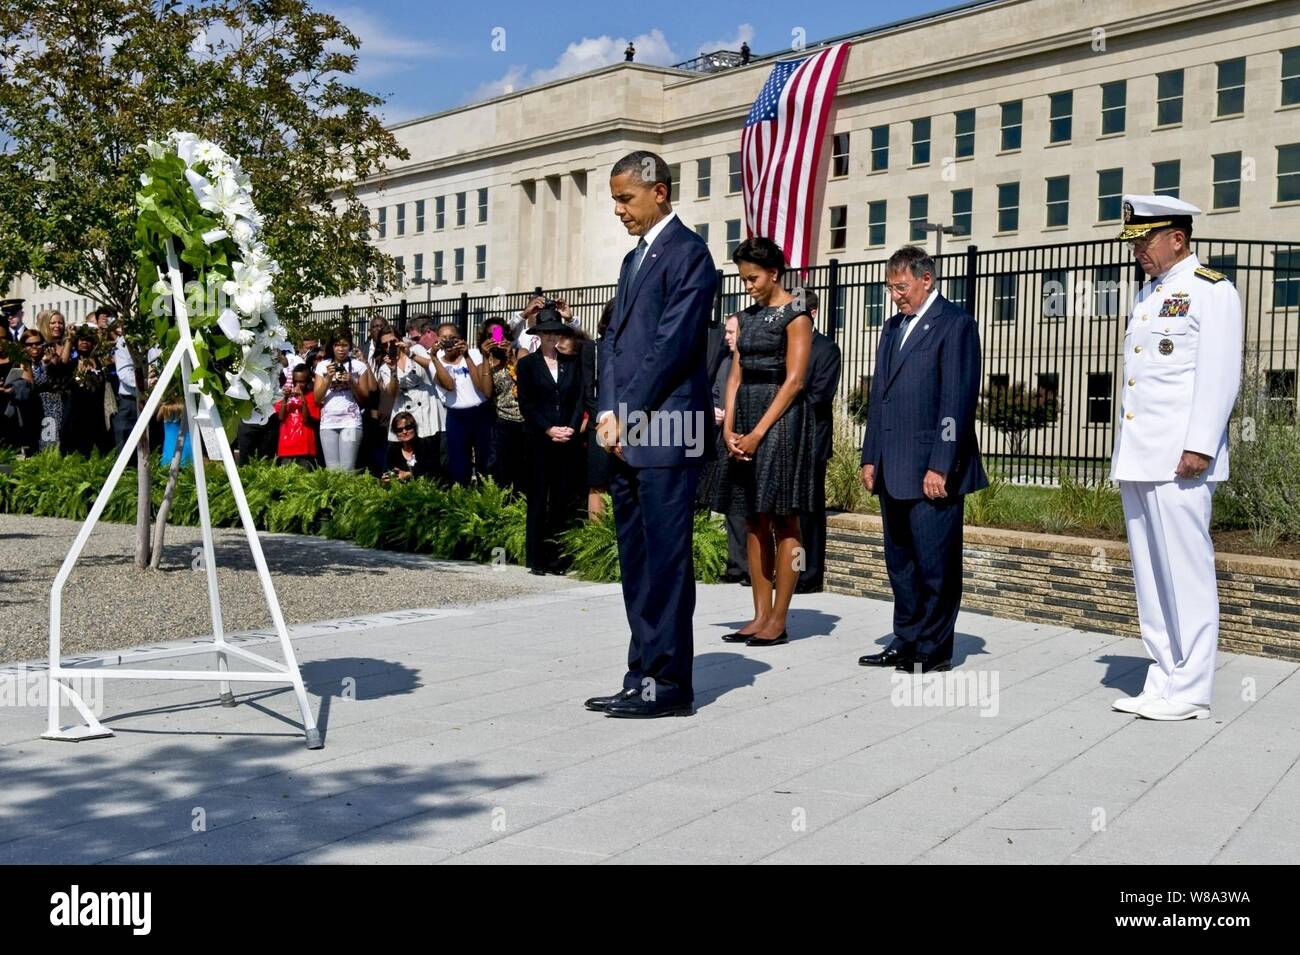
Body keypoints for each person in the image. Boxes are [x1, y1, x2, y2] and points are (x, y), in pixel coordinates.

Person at [585, 150, 718, 719]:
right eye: (614, 198)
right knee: (637, 561)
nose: (618, 209)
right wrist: (608, 410)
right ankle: (641, 673)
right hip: (627, 433)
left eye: (625, 198)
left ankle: (669, 685)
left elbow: (673, 345)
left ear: (659, 192)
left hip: (667, 430)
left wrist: (629, 409)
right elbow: (614, 344)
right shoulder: (634, 259)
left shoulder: (690, 256)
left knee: (666, 562)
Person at [1108, 195, 1243, 721]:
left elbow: (1218, 374)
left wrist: (1200, 445)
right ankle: (1162, 677)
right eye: (1136, 241)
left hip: (1181, 459)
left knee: (1185, 572)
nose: (1138, 249)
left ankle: (1191, 690)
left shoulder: (1212, 291)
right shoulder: (1150, 294)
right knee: (1151, 574)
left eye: (1145, 240)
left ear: (1178, 239)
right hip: (1141, 457)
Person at [858, 246, 987, 674]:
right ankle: (907, 639)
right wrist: (869, 456)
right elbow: (881, 396)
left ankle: (935, 647)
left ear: (926, 280)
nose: (895, 295)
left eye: (901, 286)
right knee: (901, 564)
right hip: (892, 468)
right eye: (890, 287)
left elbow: (956, 401)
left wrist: (941, 465)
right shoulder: (893, 327)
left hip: (932, 470)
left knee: (936, 565)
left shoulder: (955, 325)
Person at [710, 238, 817, 647]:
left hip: (783, 422)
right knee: (752, 516)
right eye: (743, 278)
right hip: (746, 420)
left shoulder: (797, 314)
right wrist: (729, 430)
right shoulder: (745, 317)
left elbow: (795, 381)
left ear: (774, 273)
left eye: (752, 277)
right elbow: (735, 377)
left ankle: (779, 618)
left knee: (784, 517)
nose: (748, 285)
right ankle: (758, 615)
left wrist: (758, 433)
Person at [517, 309, 587, 574]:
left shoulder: (571, 363)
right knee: (537, 498)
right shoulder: (527, 365)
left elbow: (578, 398)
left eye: (555, 332)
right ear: (539, 335)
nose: (551, 337)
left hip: (566, 439)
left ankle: (556, 557)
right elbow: (526, 403)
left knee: (560, 498)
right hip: (539, 439)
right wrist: (548, 429)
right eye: (546, 332)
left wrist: (569, 427)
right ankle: (535, 558)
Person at [796, 289, 843, 594]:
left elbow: (821, 395)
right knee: (790, 513)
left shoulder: (827, 349)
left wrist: (783, 403)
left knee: (810, 511)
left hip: (812, 440)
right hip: (786, 441)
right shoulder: (786, 345)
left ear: (812, 314)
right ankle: (791, 572)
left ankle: (809, 575)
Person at [699, 313, 750, 583]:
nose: (726, 337)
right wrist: (714, 411)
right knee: (730, 506)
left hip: (744, 438)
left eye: (731, 332)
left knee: (746, 509)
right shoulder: (724, 363)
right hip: (722, 439)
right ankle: (736, 565)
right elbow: (715, 394)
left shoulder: (752, 364)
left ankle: (751, 567)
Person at [430, 320, 493, 484]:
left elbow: (480, 385)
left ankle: (485, 496)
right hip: (456, 416)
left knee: (485, 460)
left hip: (480, 412)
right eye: (444, 339)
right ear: (437, 341)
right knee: (459, 463)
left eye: (453, 338)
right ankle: (461, 498)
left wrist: (466, 356)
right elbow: (449, 385)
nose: (449, 342)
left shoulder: (474, 354)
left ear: (461, 339)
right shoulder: (435, 362)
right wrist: (434, 358)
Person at [312, 330, 374, 471]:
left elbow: (364, 399)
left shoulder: (359, 366)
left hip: (350, 422)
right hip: (328, 423)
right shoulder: (323, 366)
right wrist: (328, 378)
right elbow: (317, 399)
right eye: (337, 345)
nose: (341, 349)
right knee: (332, 469)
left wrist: (351, 381)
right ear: (332, 347)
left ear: (350, 346)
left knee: (347, 469)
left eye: (345, 345)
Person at [482, 316, 526, 491]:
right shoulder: (488, 362)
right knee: (502, 470)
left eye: (498, 333)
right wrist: (486, 358)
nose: (495, 338)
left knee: (524, 468)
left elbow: (528, 382)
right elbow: (486, 392)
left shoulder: (520, 353)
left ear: (505, 334)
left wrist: (511, 358)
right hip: (503, 421)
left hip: (526, 419)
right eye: (490, 335)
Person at [583, 300, 616, 519]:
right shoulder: (593, 348)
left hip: (630, 420)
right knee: (598, 483)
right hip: (601, 422)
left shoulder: (637, 348)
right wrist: (605, 421)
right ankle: (595, 539)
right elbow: (588, 390)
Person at [64, 325, 113, 456]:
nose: (84, 343)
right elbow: (62, 366)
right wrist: (69, 338)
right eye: (81, 339)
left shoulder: (101, 363)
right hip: (77, 414)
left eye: (88, 340)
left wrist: (102, 336)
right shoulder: (72, 364)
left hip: (97, 413)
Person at [33, 309, 73, 451]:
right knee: (48, 440)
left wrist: (69, 340)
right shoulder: (40, 346)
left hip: (65, 400)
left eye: (60, 323)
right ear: (46, 324)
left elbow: (64, 363)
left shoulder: (68, 345)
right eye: (53, 323)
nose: (57, 326)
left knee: (64, 439)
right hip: (46, 400)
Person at [3, 329, 46, 453]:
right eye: (29, 344)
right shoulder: (18, 363)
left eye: (38, 343)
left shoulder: (47, 361)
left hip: (47, 410)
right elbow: (28, 385)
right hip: (25, 413)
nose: (34, 347)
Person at [276, 364, 321, 468]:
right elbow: (281, 417)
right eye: (295, 381)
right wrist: (286, 399)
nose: (298, 384)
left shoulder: (312, 396)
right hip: (286, 447)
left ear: (308, 380)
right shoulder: (287, 396)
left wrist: (302, 398)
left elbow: (306, 420)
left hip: (304, 448)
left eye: (301, 382)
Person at [383, 410, 443, 481]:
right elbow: (388, 471)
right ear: (396, 433)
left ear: (414, 428)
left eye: (408, 428)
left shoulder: (426, 445)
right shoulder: (393, 449)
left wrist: (409, 474)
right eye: (399, 430)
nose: (404, 432)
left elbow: (434, 472)